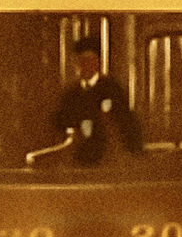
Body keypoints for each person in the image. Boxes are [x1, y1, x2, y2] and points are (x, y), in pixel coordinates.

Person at [53, 36, 143, 165]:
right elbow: (60, 122)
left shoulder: (112, 89)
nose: (84, 65)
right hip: (77, 160)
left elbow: (126, 123)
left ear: (97, 62)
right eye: (80, 61)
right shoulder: (71, 94)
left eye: (88, 60)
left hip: (109, 160)